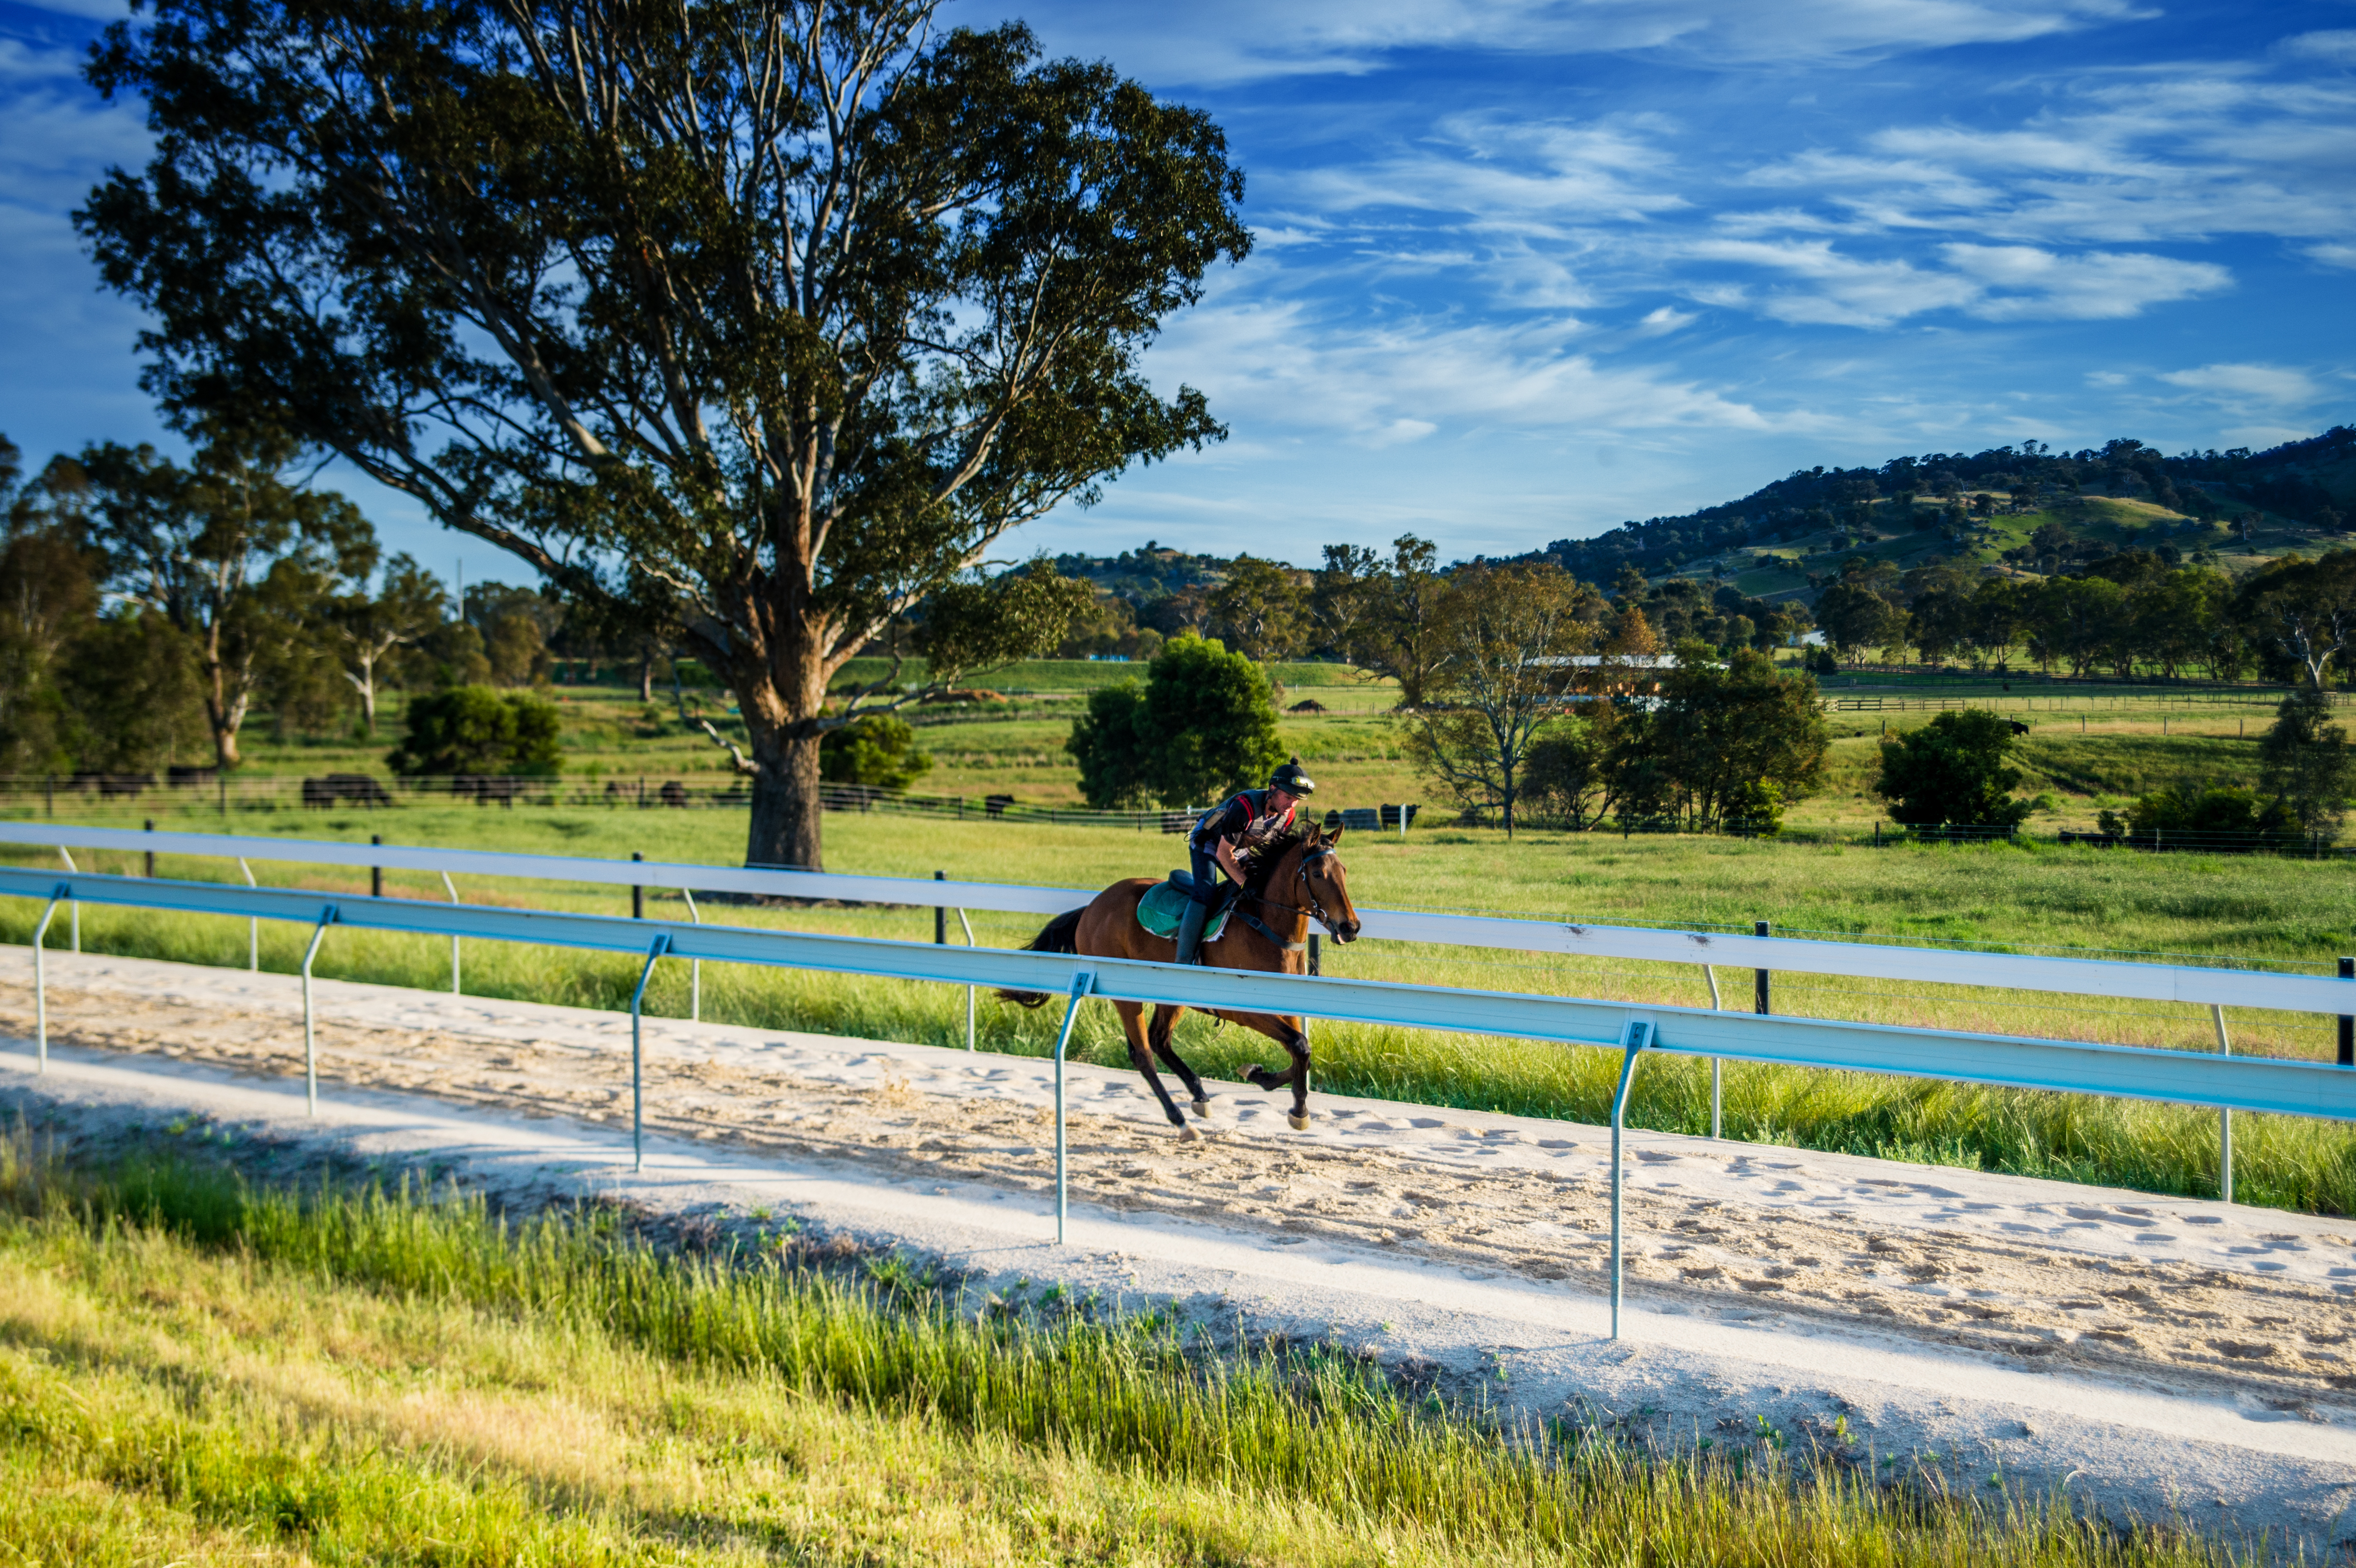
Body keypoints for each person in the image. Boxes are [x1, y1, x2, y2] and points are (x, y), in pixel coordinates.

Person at [1175, 758, 1316, 965]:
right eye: (1287, 797)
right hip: (1209, 843)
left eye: (1296, 800)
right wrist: (1245, 881)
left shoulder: (1289, 816)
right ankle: (1185, 959)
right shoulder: (1245, 808)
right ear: (1272, 789)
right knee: (1206, 892)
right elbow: (1224, 853)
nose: (1291, 805)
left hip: (1239, 847)